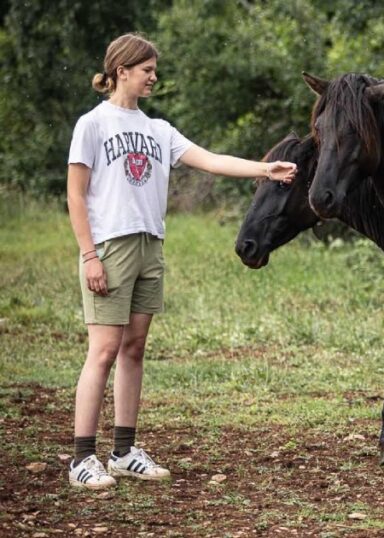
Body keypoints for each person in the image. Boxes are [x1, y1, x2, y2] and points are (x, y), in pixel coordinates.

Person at [66, 33, 296, 489]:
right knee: (104, 350)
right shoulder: (92, 125)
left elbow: (210, 160)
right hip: (110, 246)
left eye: (154, 69)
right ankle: (81, 458)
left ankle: (125, 450)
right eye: (147, 69)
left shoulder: (159, 130)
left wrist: (264, 169)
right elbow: (75, 195)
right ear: (122, 70)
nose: (154, 76)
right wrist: (89, 255)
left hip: (151, 245)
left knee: (134, 348)